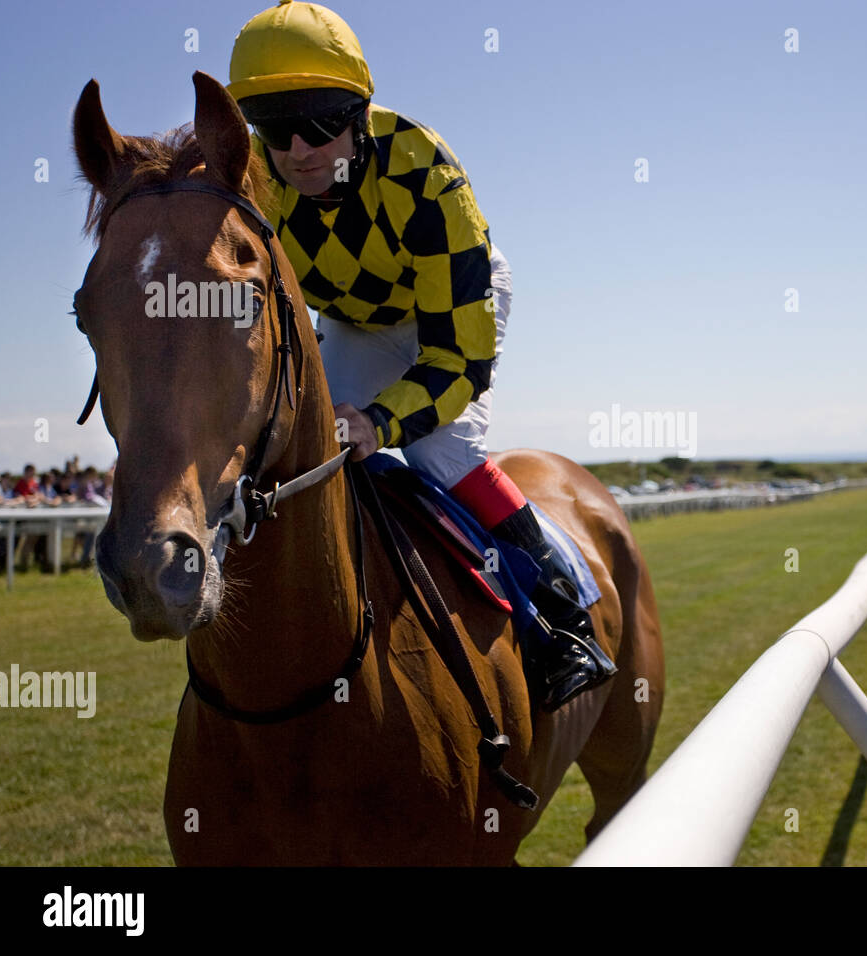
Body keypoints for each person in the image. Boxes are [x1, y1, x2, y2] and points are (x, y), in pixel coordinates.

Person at [225, 1, 615, 710]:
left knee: (437, 453)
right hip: (353, 319)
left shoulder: (424, 172)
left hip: (450, 315)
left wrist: (381, 420)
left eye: (319, 123)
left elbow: (458, 362)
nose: (298, 151)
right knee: (313, 451)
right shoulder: (261, 180)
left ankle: (560, 614)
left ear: (359, 115)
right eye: (275, 130)